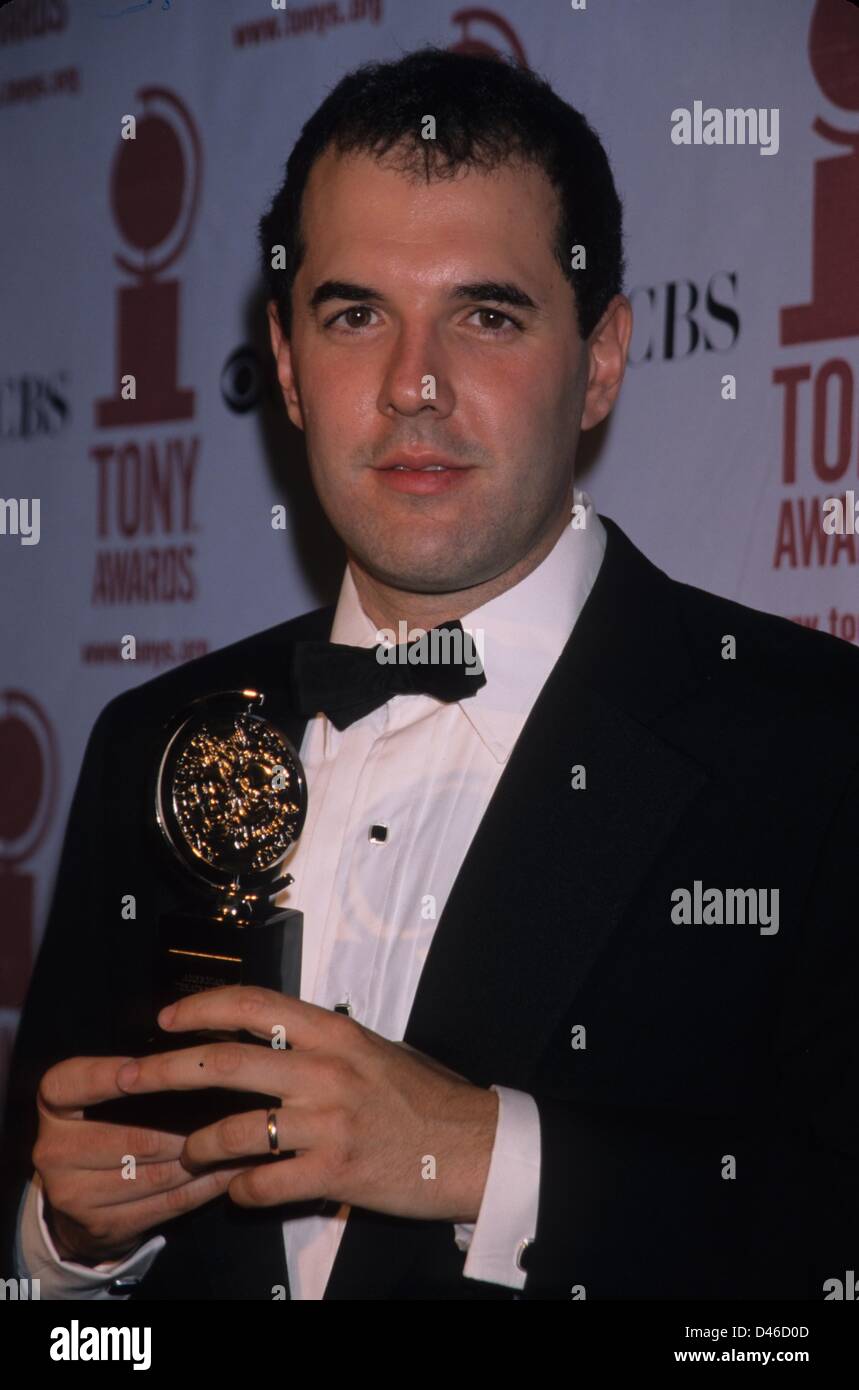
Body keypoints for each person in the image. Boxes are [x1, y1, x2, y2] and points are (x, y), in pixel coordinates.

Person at [2, 46, 858, 1302]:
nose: (414, 384)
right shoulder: (154, 740)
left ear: (602, 358)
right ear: (288, 367)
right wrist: (64, 1250)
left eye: (485, 313)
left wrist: (483, 1158)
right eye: (355, 315)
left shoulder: (816, 748)